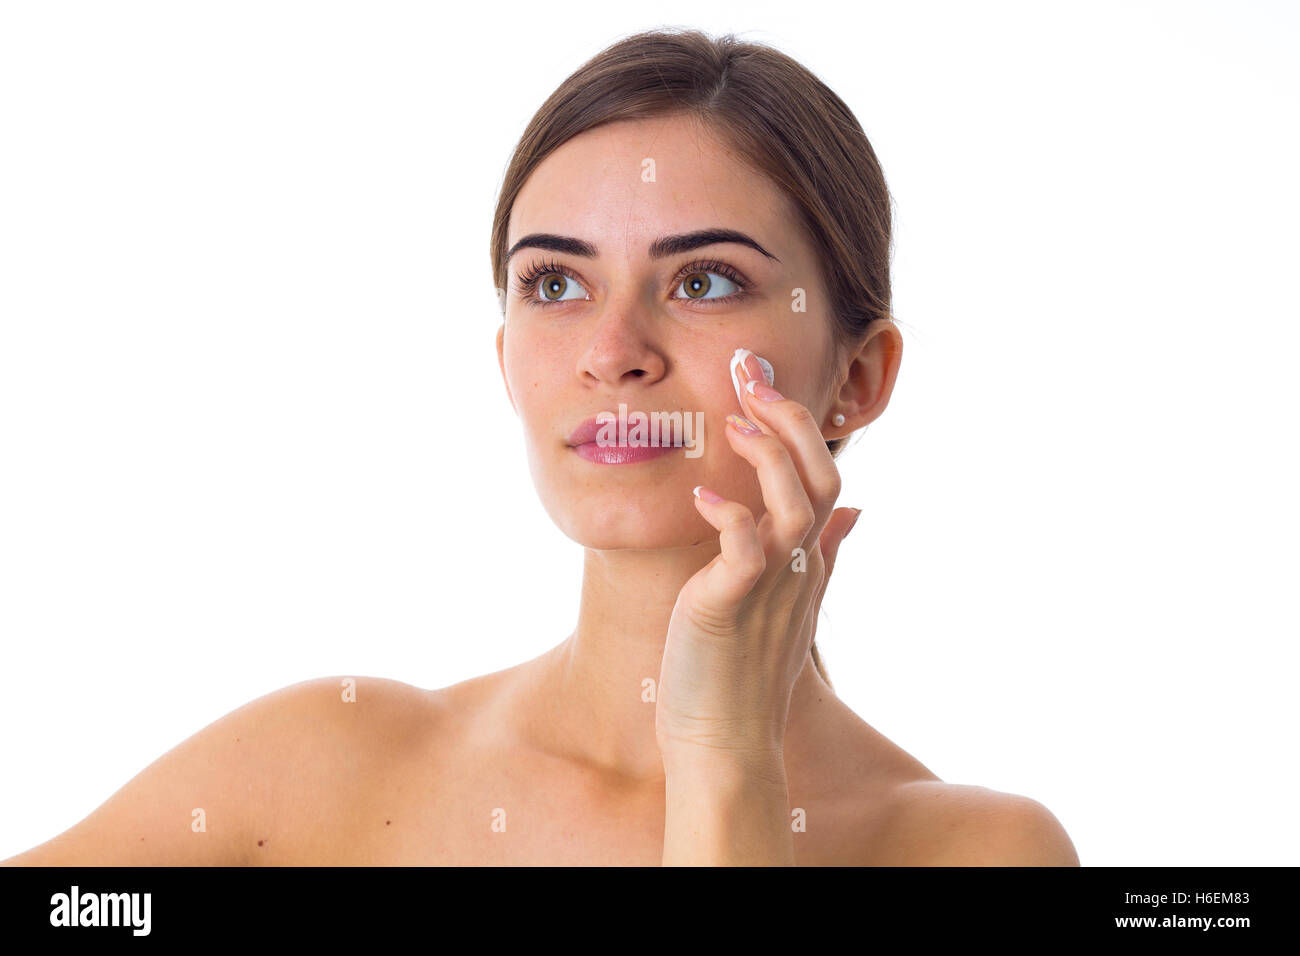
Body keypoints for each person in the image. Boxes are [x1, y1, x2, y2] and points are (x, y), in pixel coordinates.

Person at [2, 27, 1079, 866]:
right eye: (554, 283)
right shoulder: (319, 764)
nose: (611, 352)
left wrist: (722, 757)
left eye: (703, 280)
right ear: (505, 352)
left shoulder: (972, 850)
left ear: (859, 376)